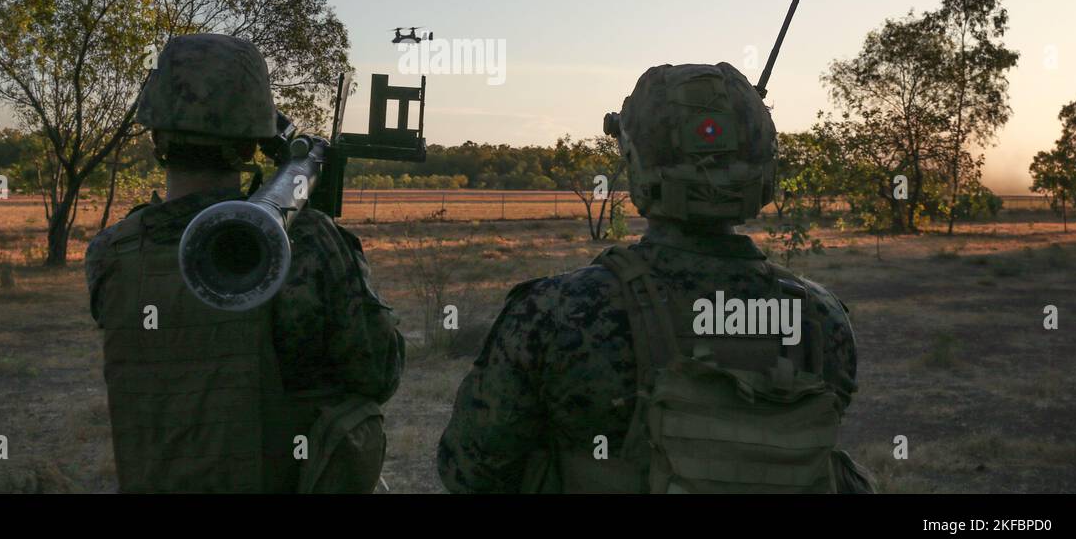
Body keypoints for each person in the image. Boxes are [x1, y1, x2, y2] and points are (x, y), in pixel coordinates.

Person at [438, 62, 875, 493]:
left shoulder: (555, 313)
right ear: (764, 168)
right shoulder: (820, 317)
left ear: (638, 166)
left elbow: (471, 471)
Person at [85, 33, 404, 492]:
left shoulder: (110, 252)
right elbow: (379, 372)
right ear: (253, 143)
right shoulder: (305, 242)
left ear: (157, 137)